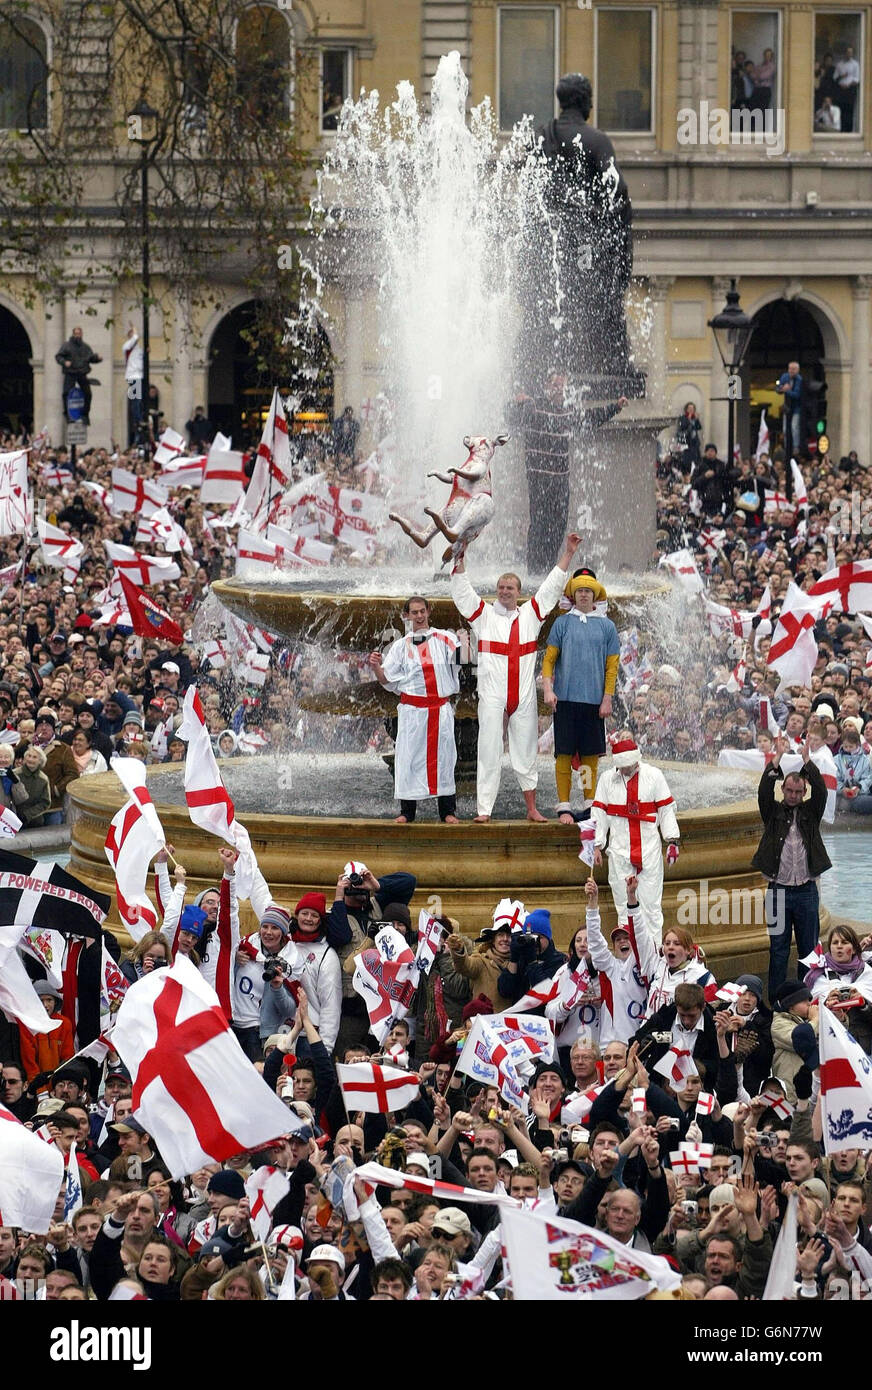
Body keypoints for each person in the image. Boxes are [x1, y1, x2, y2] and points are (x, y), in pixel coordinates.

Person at [451, 530, 582, 822]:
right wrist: (460, 559)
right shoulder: (483, 615)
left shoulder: (531, 615)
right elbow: (463, 594)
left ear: (519, 592)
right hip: (492, 696)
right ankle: (484, 810)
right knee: (488, 751)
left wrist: (569, 553)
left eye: (510, 587)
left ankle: (532, 809)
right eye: (501, 587)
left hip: (522, 697)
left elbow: (550, 587)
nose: (504, 591)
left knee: (526, 752)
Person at [508, 376, 626, 571]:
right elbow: (512, 417)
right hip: (539, 477)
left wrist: (615, 407)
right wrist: (517, 403)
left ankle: (547, 569)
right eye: (555, 384)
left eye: (562, 385)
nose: (559, 389)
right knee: (539, 524)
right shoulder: (535, 406)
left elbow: (589, 417)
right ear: (546, 386)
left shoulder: (567, 412)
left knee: (558, 526)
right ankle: (535, 571)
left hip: (560, 479)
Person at [751, 734, 831, 1001]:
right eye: (789, 791)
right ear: (783, 790)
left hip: (806, 891)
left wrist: (807, 761)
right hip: (777, 892)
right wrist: (777, 758)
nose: (794, 796)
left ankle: (807, 997)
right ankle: (775, 1002)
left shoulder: (811, 812)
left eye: (798, 792)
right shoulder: (772, 812)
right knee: (779, 951)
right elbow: (763, 790)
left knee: (809, 949)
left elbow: (821, 790)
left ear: (803, 792)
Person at [369, 595, 461, 823]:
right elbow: (387, 680)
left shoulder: (445, 638)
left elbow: (463, 661)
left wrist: (466, 644)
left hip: (439, 710)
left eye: (422, 611)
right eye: (414, 612)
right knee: (408, 759)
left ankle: (448, 811)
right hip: (412, 712)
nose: (419, 616)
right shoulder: (400, 646)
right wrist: (375, 667)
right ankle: (407, 812)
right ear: (407, 616)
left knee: (444, 758)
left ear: (429, 612)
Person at [542, 568, 620, 820]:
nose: (584, 595)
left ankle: (589, 801)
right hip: (564, 699)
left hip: (594, 702)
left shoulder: (608, 627)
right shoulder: (562, 623)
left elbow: (612, 666)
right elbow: (549, 658)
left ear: (595, 595)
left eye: (588, 591)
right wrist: (548, 689)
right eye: (580, 591)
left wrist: (607, 698)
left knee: (589, 755)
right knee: (563, 752)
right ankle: (563, 803)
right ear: (573, 595)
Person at [591, 734, 680, 944]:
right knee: (624, 908)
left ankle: (656, 956)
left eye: (628, 766)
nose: (625, 770)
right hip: (620, 853)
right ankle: (629, 959)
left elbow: (666, 809)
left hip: (649, 853)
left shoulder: (654, 775)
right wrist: (596, 845)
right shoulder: (606, 779)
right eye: (621, 767)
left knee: (651, 907)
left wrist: (672, 841)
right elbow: (598, 813)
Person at [56, 327, 102, 426]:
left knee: (88, 394)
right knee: (66, 393)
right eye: (76, 334)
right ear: (73, 334)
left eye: (79, 334)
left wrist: (98, 358)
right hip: (70, 373)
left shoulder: (85, 347)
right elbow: (58, 356)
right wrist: (64, 362)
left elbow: (91, 358)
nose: (78, 336)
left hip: (82, 373)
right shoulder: (66, 346)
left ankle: (85, 414)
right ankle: (67, 414)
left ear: (82, 334)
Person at [775, 361, 803, 456]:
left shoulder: (799, 380)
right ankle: (787, 446)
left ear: (798, 370)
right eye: (790, 368)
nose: (791, 371)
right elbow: (777, 388)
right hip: (787, 407)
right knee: (785, 428)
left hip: (796, 408)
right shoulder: (784, 376)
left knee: (794, 427)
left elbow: (797, 395)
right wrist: (782, 389)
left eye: (794, 369)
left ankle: (796, 446)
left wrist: (786, 390)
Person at [834, 46, 860, 132]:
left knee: (849, 112)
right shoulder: (839, 64)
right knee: (841, 111)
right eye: (847, 52)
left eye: (851, 52)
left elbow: (857, 79)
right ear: (845, 53)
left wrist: (848, 85)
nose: (849, 54)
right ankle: (841, 131)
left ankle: (848, 132)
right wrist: (842, 76)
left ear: (852, 54)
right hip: (841, 91)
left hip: (850, 90)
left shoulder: (855, 64)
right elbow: (834, 78)